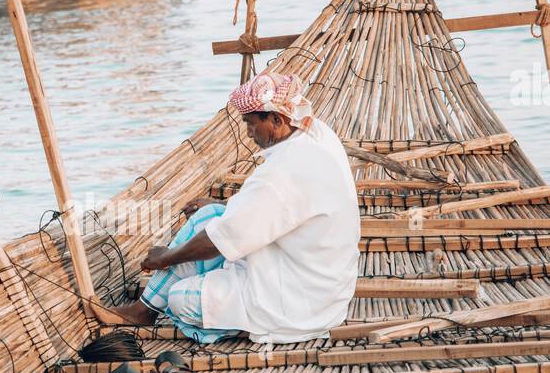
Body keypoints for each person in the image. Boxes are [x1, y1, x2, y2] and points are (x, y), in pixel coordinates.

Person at [103, 71, 359, 344]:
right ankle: (145, 310)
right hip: (324, 282)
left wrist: (165, 258)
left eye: (250, 124)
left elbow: (219, 240)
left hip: (298, 302)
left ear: (276, 119)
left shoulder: (280, 172)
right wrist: (224, 205)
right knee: (210, 215)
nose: (248, 134)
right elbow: (280, 205)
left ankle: (237, 321)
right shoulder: (317, 132)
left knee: (179, 298)